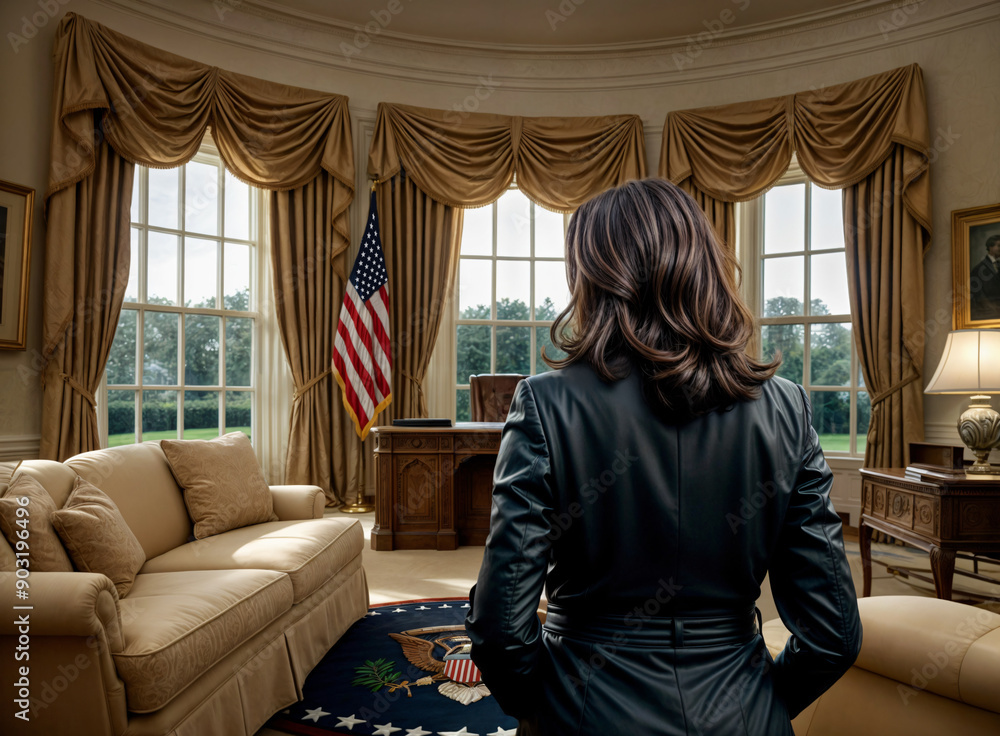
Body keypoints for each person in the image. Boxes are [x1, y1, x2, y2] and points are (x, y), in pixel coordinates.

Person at [465, 178, 862, 735]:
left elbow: (500, 628)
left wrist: (547, 708)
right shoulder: (787, 407)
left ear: (593, 278)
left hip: (585, 713)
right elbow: (834, 634)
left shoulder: (545, 403)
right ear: (704, 268)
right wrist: (762, 705)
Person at [970, 233, 1000, 321]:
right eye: (999, 246)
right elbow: (977, 293)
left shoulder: (998, 265)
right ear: (990, 247)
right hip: (989, 312)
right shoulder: (978, 269)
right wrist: (991, 307)